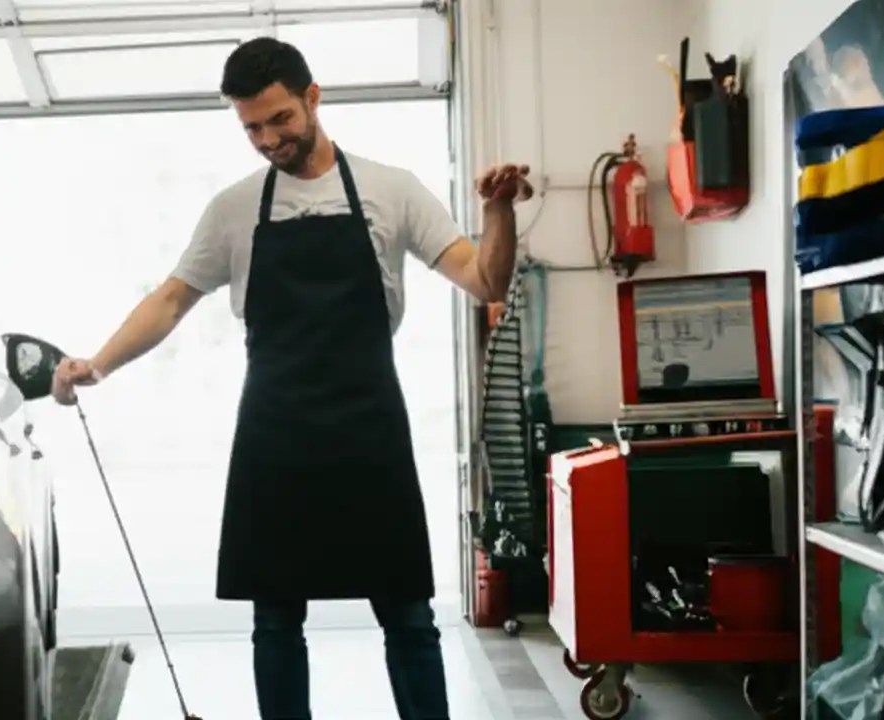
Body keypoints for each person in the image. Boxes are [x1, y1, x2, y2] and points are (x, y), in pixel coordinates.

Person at [50, 36, 531, 720]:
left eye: (280, 119)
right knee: (275, 622)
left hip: (370, 426)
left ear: (313, 98)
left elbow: (485, 277)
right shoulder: (235, 208)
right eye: (251, 127)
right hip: (275, 430)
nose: (268, 138)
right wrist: (97, 361)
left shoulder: (392, 189)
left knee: (409, 617)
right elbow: (170, 299)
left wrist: (498, 212)